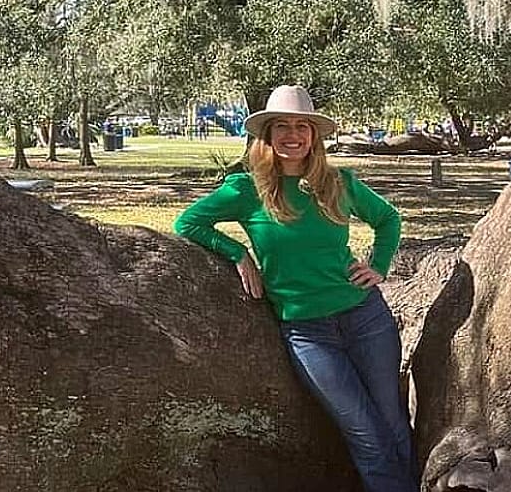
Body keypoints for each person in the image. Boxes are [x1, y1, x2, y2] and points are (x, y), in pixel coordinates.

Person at [173, 85, 418, 491]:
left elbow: (388, 220)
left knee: (392, 422)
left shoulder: (338, 182)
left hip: (366, 317)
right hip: (308, 333)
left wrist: (377, 265)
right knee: (365, 433)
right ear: (267, 135)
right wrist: (236, 252)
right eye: (282, 126)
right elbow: (188, 223)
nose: (293, 135)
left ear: (314, 135)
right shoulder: (244, 189)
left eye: (302, 126)